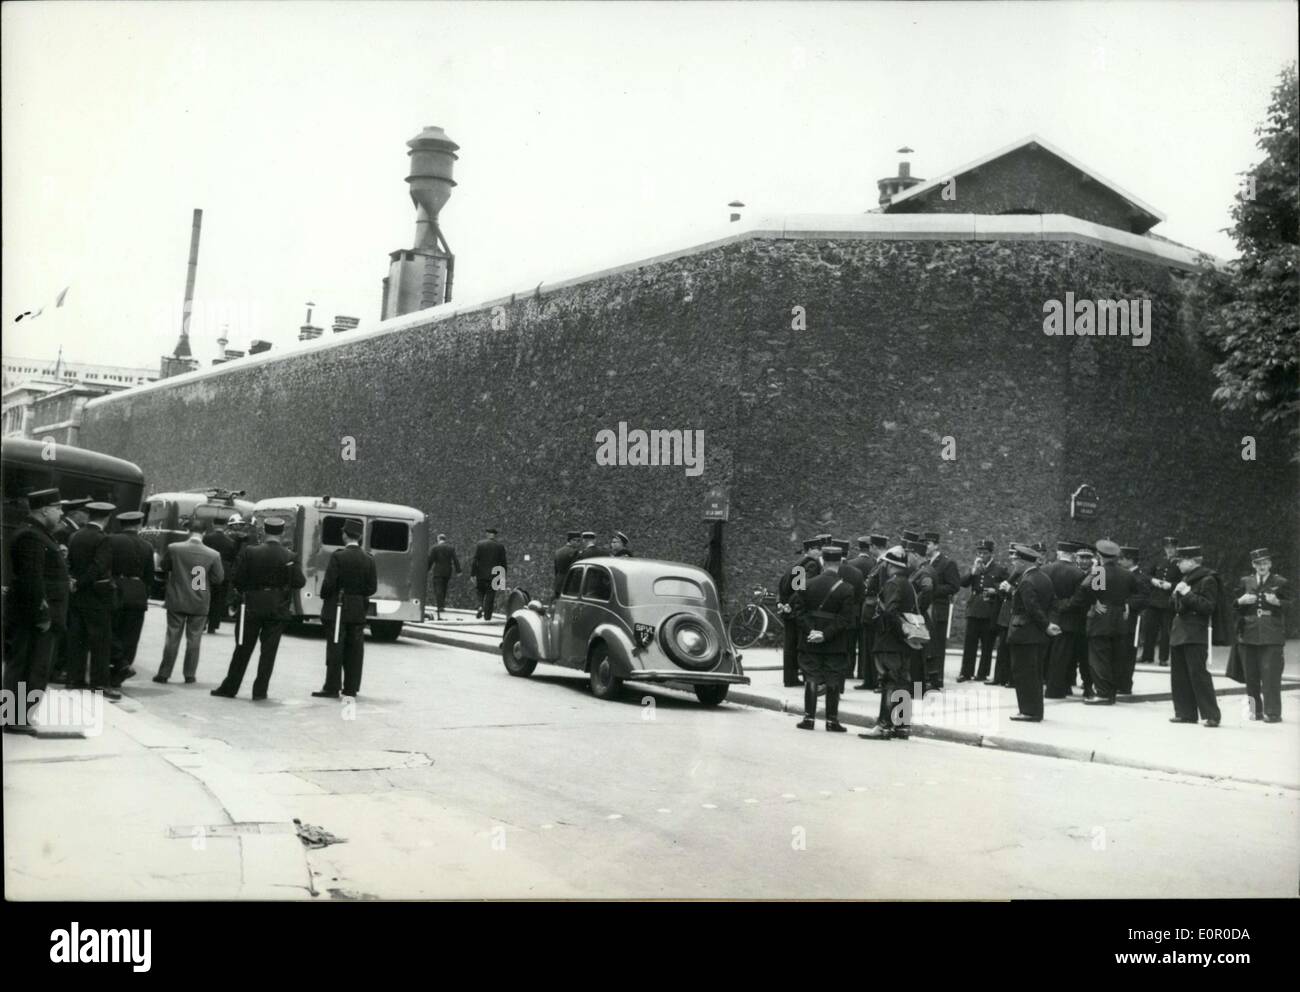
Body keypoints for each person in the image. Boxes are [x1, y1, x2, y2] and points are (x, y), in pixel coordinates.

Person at [211, 517, 304, 700]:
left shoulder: (250, 552)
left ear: (263, 531)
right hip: (277, 606)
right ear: (282, 532)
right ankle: (260, 691)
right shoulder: (290, 556)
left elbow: (238, 579)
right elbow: (299, 582)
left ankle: (230, 687)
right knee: (268, 653)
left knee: (242, 649)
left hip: (252, 605)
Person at [3, 489, 68, 734]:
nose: (61, 513)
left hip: (39, 615)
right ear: (44, 510)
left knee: (31, 665)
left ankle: (18, 716)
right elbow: (31, 580)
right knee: (30, 666)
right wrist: (42, 615)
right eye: (58, 508)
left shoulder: (38, 535)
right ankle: (14, 718)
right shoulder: (31, 537)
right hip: (37, 618)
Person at [790, 544, 856, 732]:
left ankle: (809, 718)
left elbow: (798, 611)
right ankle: (831, 721)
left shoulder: (806, 583)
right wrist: (825, 634)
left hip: (809, 639)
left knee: (811, 676)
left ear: (822, 561)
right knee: (833, 678)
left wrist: (812, 631)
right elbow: (846, 619)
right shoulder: (847, 589)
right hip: (835, 642)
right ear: (841, 562)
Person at [313, 518, 378, 699]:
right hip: (357, 610)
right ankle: (351, 688)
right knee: (355, 650)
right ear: (359, 537)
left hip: (337, 608)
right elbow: (372, 588)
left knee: (335, 648)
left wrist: (327, 597)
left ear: (345, 535)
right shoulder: (369, 559)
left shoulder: (338, 556)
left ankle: (332, 687)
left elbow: (329, 584)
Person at [154, 519, 224, 684]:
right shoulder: (213, 554)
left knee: (172, 637)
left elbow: (164, 567)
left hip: (177, 599)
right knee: (194, 639)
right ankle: (189, 674)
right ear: (204, 533)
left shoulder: (174, 548)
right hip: (200, 601)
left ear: (188, 531)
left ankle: (164, 673)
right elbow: (218, 578)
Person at [860, 546, 919, 741]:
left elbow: (890, 612)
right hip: (905, 642)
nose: (884, 566)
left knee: (888, 682)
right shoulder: (908, 584)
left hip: (889, 641)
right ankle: (902, 726)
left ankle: (883, 725)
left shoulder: (893, 584)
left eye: (886, 563)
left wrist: (888, 626)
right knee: (903, 682)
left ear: (891, 565)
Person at [1069, 539, 1136, 705]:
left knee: (1099, 658)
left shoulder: (1100, 571)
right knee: (1115, 657)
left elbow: (1086, 587)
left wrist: (1095, 601)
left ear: (1099, 555)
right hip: (1119, 619)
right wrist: (1125, 604)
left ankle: (1103, 693)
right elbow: (1137, 592)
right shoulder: (1126, 573)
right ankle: (1111, 693)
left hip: (1101, 617)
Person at [66, 501, 118, 698]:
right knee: (100, 641)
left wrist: (74, 582)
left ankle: (74, 678)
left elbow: (69, 562)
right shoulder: (103, 539)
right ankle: (99, 684)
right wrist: (82, 582)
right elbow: (98, 567)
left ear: (89, 515)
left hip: (77, 596)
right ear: (107, 517)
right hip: (96, 596)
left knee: (77, 637)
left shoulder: (75, 535)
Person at [1168, 545, 1222, 728]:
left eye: (1180, 561)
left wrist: (1186, 593)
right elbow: (1174, 605)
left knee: (1198, 674)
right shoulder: (1185, 578)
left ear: (1192, 561)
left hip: (1195, 631)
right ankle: (1185, 713)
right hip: (1179, 630)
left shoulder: (1208, 579)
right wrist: (1177, 594)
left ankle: (1212, 715)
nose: (1178, 565)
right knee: (1179, 675)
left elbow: (1208, 607)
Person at [1235, 547, 1288, 723]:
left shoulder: (1280, 581)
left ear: (1270, 564)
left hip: (1271, 632)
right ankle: (1254, 711)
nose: (1262, 566)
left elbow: (1294, 607)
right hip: (1248, 632)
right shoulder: (1245, 581)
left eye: (1265, 562)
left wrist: (1278, 602)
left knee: (1270, 674)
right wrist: (1240, 601)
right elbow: (1232, 605)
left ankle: (1272, 713)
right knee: (1250, 675)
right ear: (1253, 565)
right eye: (1258, 563)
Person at [1007, 544, 1055, 722]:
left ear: (1022, 562)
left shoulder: (1026, 581)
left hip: (1023, 633)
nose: (1013, 564)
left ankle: (1028, 711)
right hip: (1038, 635)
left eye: (1015, 560)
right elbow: (1051, 603)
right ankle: (1035, 710)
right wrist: (1048, 625)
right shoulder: (1044, 578)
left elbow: (1032, 609)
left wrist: (1045, 625)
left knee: (1023, 673)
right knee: (1035, 674)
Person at [107, 510, 152, 687]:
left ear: (121, 524)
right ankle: (121, 670)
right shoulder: (147, 546)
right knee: (131, 634)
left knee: (111, 629)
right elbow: (149, 576)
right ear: (139, 524)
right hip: (137, 592)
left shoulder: (111, 540)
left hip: (116, 587)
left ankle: (119, 663)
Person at [1043, 541, 1088, 699]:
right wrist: (1063, 606)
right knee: (1061, 657)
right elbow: (1079, 600)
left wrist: (1052, 606)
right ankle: (1056, 689)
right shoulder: (1079, 574)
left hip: (1047, 618)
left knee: (1046, 654)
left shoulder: (1045, 569)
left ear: (1058, 552)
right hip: (1068, 621)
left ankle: (1045, 684)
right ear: (1073, 555)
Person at [958, 539, 1006, 682]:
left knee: (987, 644)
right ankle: (966, 672)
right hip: (974, 609)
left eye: (984, 553)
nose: (981, 556)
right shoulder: (975, 568)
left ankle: (982, 673)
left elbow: (1007, 587)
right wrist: (972, 572)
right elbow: (963, 583)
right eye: (979, 553)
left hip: (989, 610)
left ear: (991, 554)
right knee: (969, 643)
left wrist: (996, 590)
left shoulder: (999, 569)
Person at [918, 531, 960, 691]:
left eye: (927, 544)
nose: (925, 547)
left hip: (938, 608)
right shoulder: (924, 563)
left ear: (936, 545)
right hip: (926, 607)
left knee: (937, 645)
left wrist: (932, 590)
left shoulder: (947, 563)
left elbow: (954, 586)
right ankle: (926, 677)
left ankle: (937, 679)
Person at [777, 539, 821, 687]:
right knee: (796, 645)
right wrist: (790, 605)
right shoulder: (811, 564)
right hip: (796, 610)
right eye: (817, 549)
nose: (820, 552)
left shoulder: (796, 564)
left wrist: (782, 603)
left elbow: (784, 584)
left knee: (789, 644)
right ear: (810, 550)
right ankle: (792, 678)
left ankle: (790, 677)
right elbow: (800, 589)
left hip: (788, 609)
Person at [846, 536, 884, 691]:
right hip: (868, 608)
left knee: (850, 642)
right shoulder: (875, 563)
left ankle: (849, 670)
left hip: (855, 608)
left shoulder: (850, 564)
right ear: (869, 547)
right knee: (865, 644)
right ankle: (863, 672)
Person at [1117, 546, 1150, 694]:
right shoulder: (1122, 574)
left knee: (1127, 652)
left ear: (1130, 560)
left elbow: (1144, 598)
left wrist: (1126, 602)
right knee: (1119, 651)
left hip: (1131, 619)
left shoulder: (1140, 577)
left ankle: (1124, 684)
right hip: (1119, 619)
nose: (1119, 561)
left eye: (1122, 558)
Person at [1142, 537, 1180, 666]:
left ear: (1176, 548)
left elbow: (1184, 582)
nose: (1170, 550)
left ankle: (1163, 658)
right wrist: (1153, 580)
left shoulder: (1179, 563)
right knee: (1150, 629)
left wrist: (1171, 585)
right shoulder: (1157, 560)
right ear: (1164, 548)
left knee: (1166, 631)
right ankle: (1147, 656)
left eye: (1172, 548)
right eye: (1167, 548)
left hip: (1169, 602)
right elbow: (1146, 575)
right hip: (1154, 600)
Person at [834, 539, 865, 689]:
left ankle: (837, 674)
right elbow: (860, 595)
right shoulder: (856, 572)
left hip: (835, 614)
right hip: (853, 613)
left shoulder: (831, 570)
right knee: (851, 644)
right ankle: (849, 670)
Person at [988, 541, 1020, 687]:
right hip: (1006, 612)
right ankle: (999, 676)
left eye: (1015, 555)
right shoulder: (1013, 571)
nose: (1012, 557)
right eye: (1011, 554)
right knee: (1002, 647)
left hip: (1014, 611)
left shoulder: (1020, 572)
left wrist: (1009, 589)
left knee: (1011, 648)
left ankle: (1010, 678)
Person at [203, 517, 238, 633]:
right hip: (224, 573)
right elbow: (233, 559)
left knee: (203, 597)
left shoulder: (206, 538)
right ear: (226, 525)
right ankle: (213, 625)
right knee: (218, 599)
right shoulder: (230, 542)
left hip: (205, 572)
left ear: (213, 524)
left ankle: (201, 622)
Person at [469, 527, 509, 620]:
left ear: (487, 534)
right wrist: (502, 578)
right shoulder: (500, 546)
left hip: (481, 574)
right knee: (490, 596)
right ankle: (487, 617)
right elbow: (503, 563)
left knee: (480, 592)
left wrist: (472, 574)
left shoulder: (480, 544)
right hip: (494, 576)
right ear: (495, 535)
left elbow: (475, 560)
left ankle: (480, 606)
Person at [427, 532, 463, 619]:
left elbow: (430, 560)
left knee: (438, 588)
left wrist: (426, 570)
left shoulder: (435, 548)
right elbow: (455, 560)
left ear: (438, 539)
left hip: (438, 571)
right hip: (447, 572)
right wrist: (458, 571)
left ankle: (440, 606)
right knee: (444, 587)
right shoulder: (450, 548)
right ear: (445, 539)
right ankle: (442, 604)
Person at [551, 531, 581, 599]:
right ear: (572, 540)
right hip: (570, 584)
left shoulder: (558, 551)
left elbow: (556, 570)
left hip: (558, 583)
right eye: (577, 541)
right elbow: (576, 570)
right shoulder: (575, 552)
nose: (578, 543)